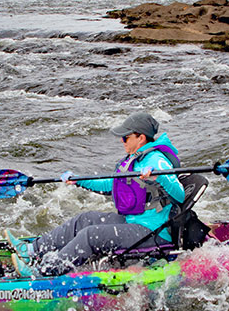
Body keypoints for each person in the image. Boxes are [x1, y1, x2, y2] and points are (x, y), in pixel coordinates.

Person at [10, 112, 185, 277]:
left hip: (153, 232)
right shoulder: (135, 158)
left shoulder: (156, 160)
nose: (122, 141)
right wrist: (79, 180)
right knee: (84, 219)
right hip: (133, 222)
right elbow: (111, 185)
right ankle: (32, 251)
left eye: (126, 137)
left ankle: (42, 273)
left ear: (141, 137)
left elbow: (180, 195)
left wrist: (160, 177)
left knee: (91, 236)